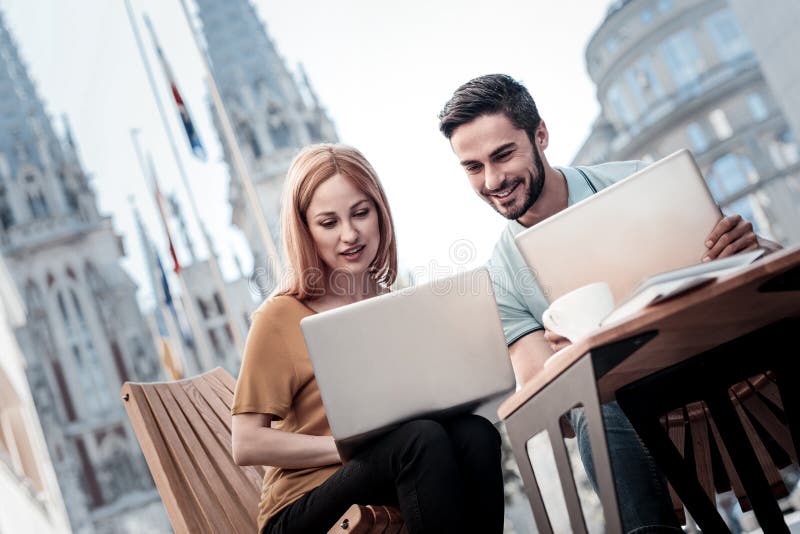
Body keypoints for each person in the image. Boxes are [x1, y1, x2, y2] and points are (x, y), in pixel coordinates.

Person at [437, 73, 778, 533]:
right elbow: (553, 405)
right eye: (473, 167)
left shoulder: (638, 180)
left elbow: (767, 281)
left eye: (503, 155)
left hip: (741, 378)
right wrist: (569, 360)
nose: (492, 180)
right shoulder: (500, 278)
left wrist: (752, 250)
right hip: (638, 422)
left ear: (540, 135)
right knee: (591, 402)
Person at [230, 144, 505, 534]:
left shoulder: (395, 305)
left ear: (380, 212)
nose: (350, 234)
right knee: (419, 439)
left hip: (392, 468)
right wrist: (345, 447)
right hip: (301, 509)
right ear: (306, 230)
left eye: (361, 213)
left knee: (476, 434)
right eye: (329, 223)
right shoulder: (280, 316)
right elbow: (246, 443)